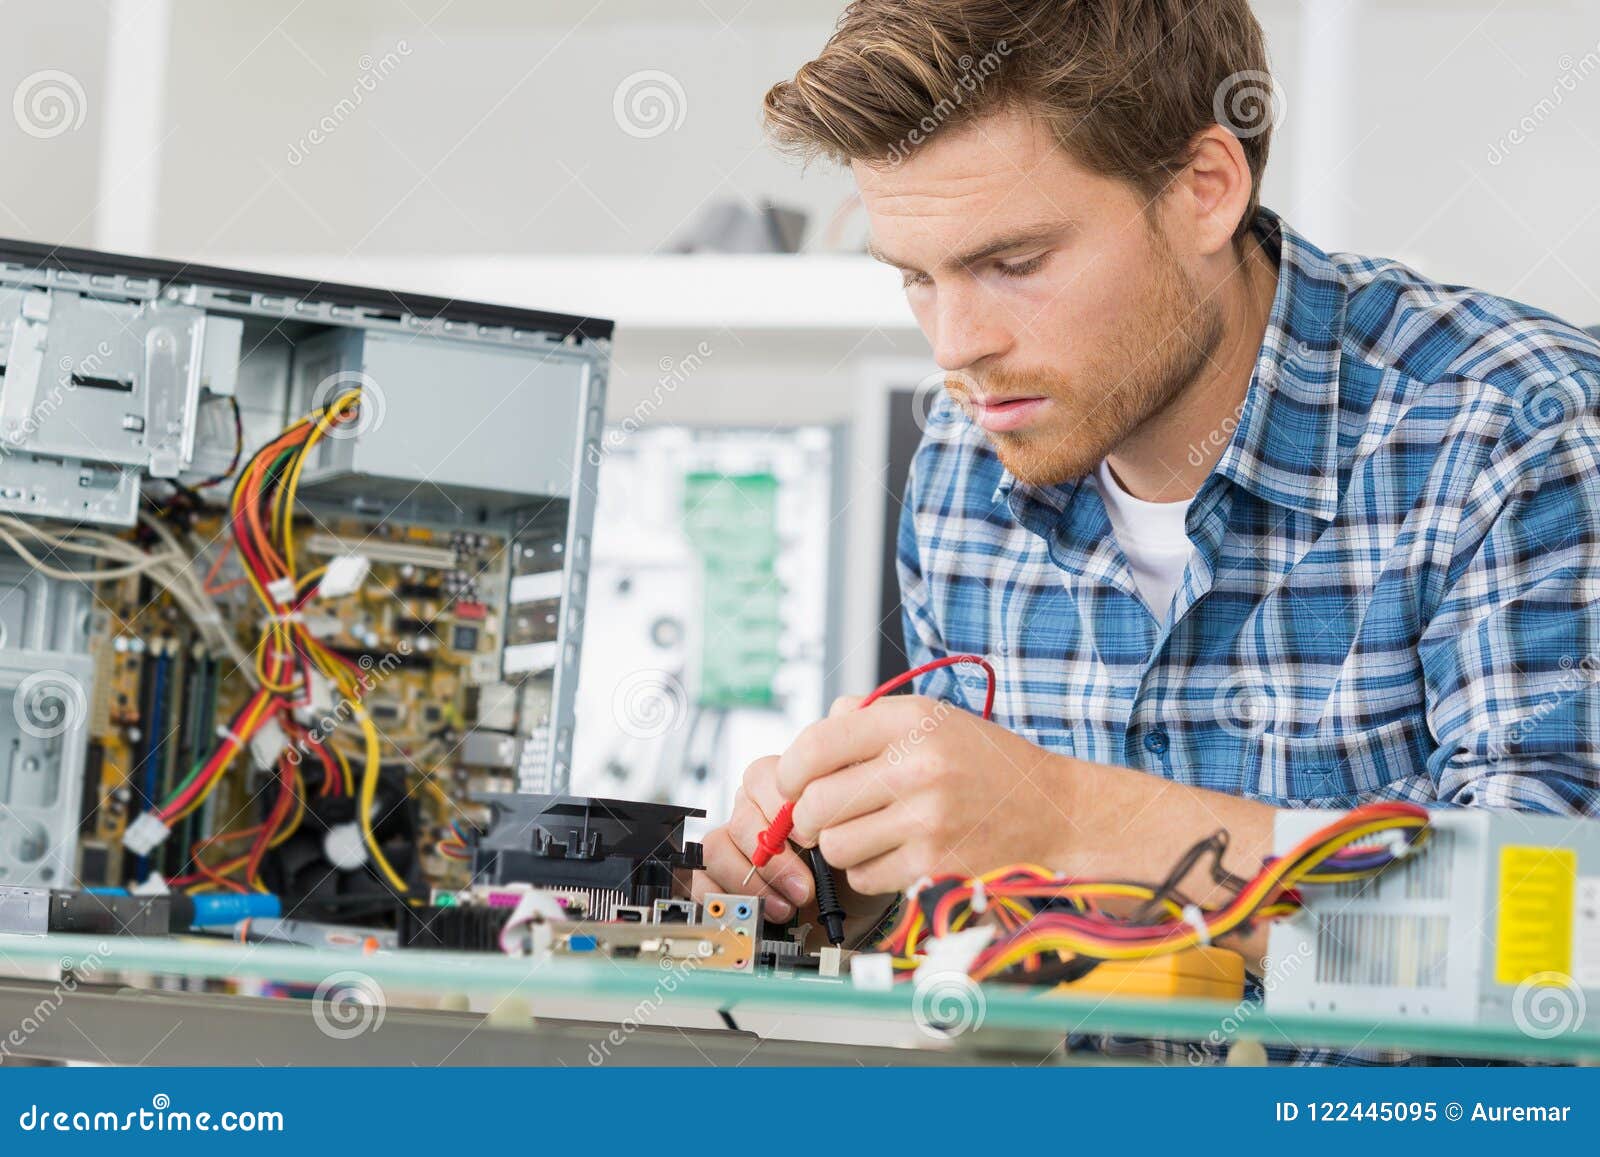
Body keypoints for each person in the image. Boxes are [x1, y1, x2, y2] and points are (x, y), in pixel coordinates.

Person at [691, 0, 1600, 1050]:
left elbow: (1561, 953)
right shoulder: (961, 463)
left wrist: (1068, 819)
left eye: (1014, 261)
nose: (959, 344)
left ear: (1205, 189)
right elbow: (988, 933)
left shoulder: (1514, 433)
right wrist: (855, 879)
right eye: (914, 277)